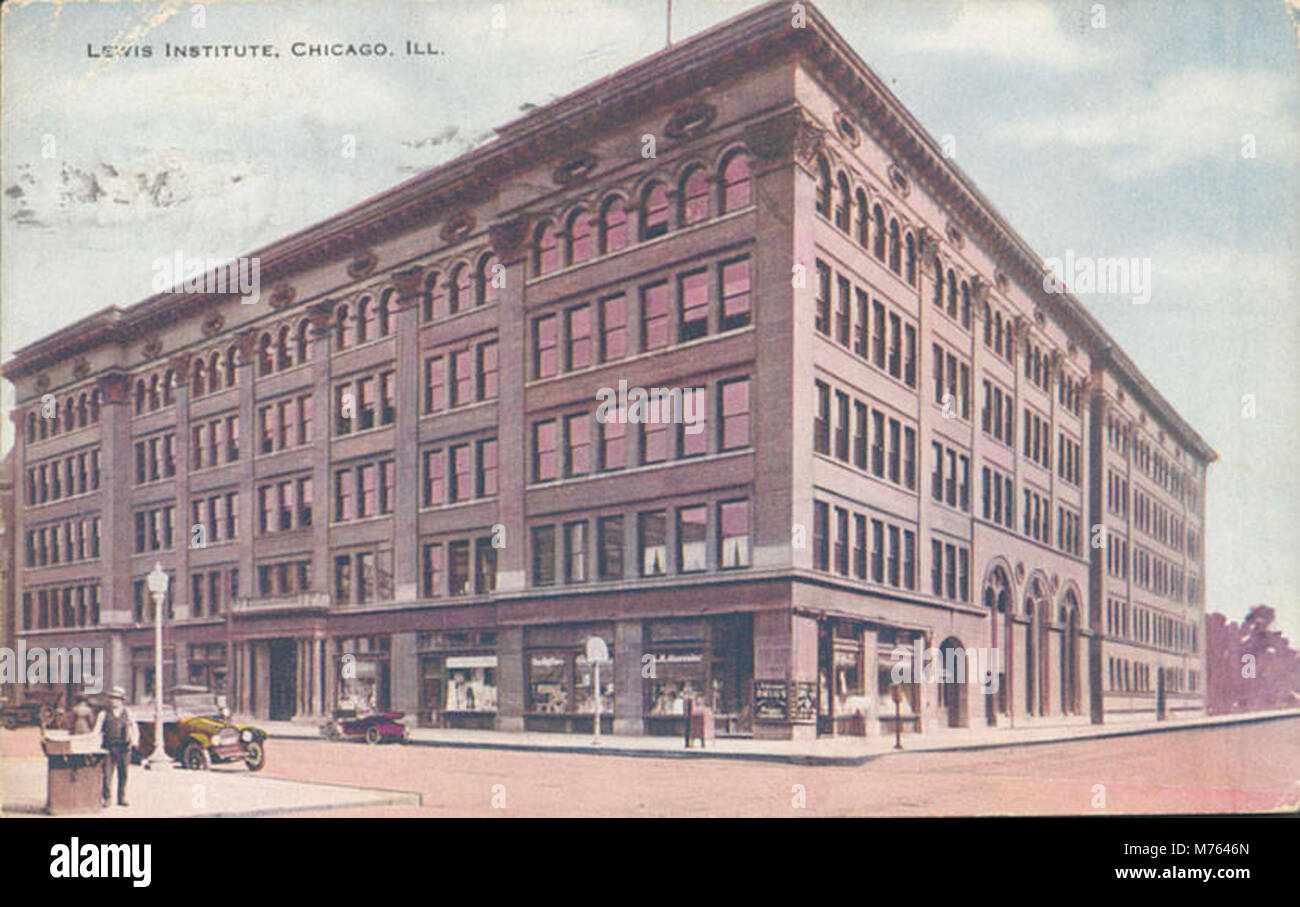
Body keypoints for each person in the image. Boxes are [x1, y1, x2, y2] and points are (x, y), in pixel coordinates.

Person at [101, 687, 138, 808]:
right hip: (108, 747)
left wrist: (134, 740)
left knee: (123, 773)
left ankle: (121, 797)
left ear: (122, 700)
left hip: (124, 748)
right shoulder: (104, 713)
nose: (113, 701)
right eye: (112, 698)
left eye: (116, 698)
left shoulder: (128, 712)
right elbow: (97, 730)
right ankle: (107, 798)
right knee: (107, 774)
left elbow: (134, 727)